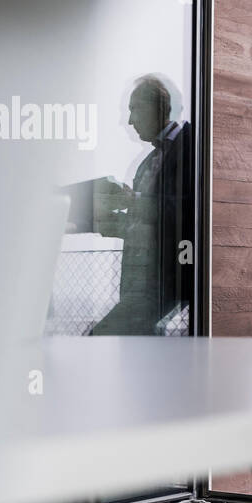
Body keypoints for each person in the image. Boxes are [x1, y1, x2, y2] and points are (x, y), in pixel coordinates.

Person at [91, 74, 195, 335]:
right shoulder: (148, 162)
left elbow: (187, 210)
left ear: (156, 108)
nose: (129, 121)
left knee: (101, 336)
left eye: (134, 109)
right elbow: (149, 222)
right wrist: (109, 222)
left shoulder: (192, 145)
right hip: (142, 283)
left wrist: (133, 201)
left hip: (166, 280)